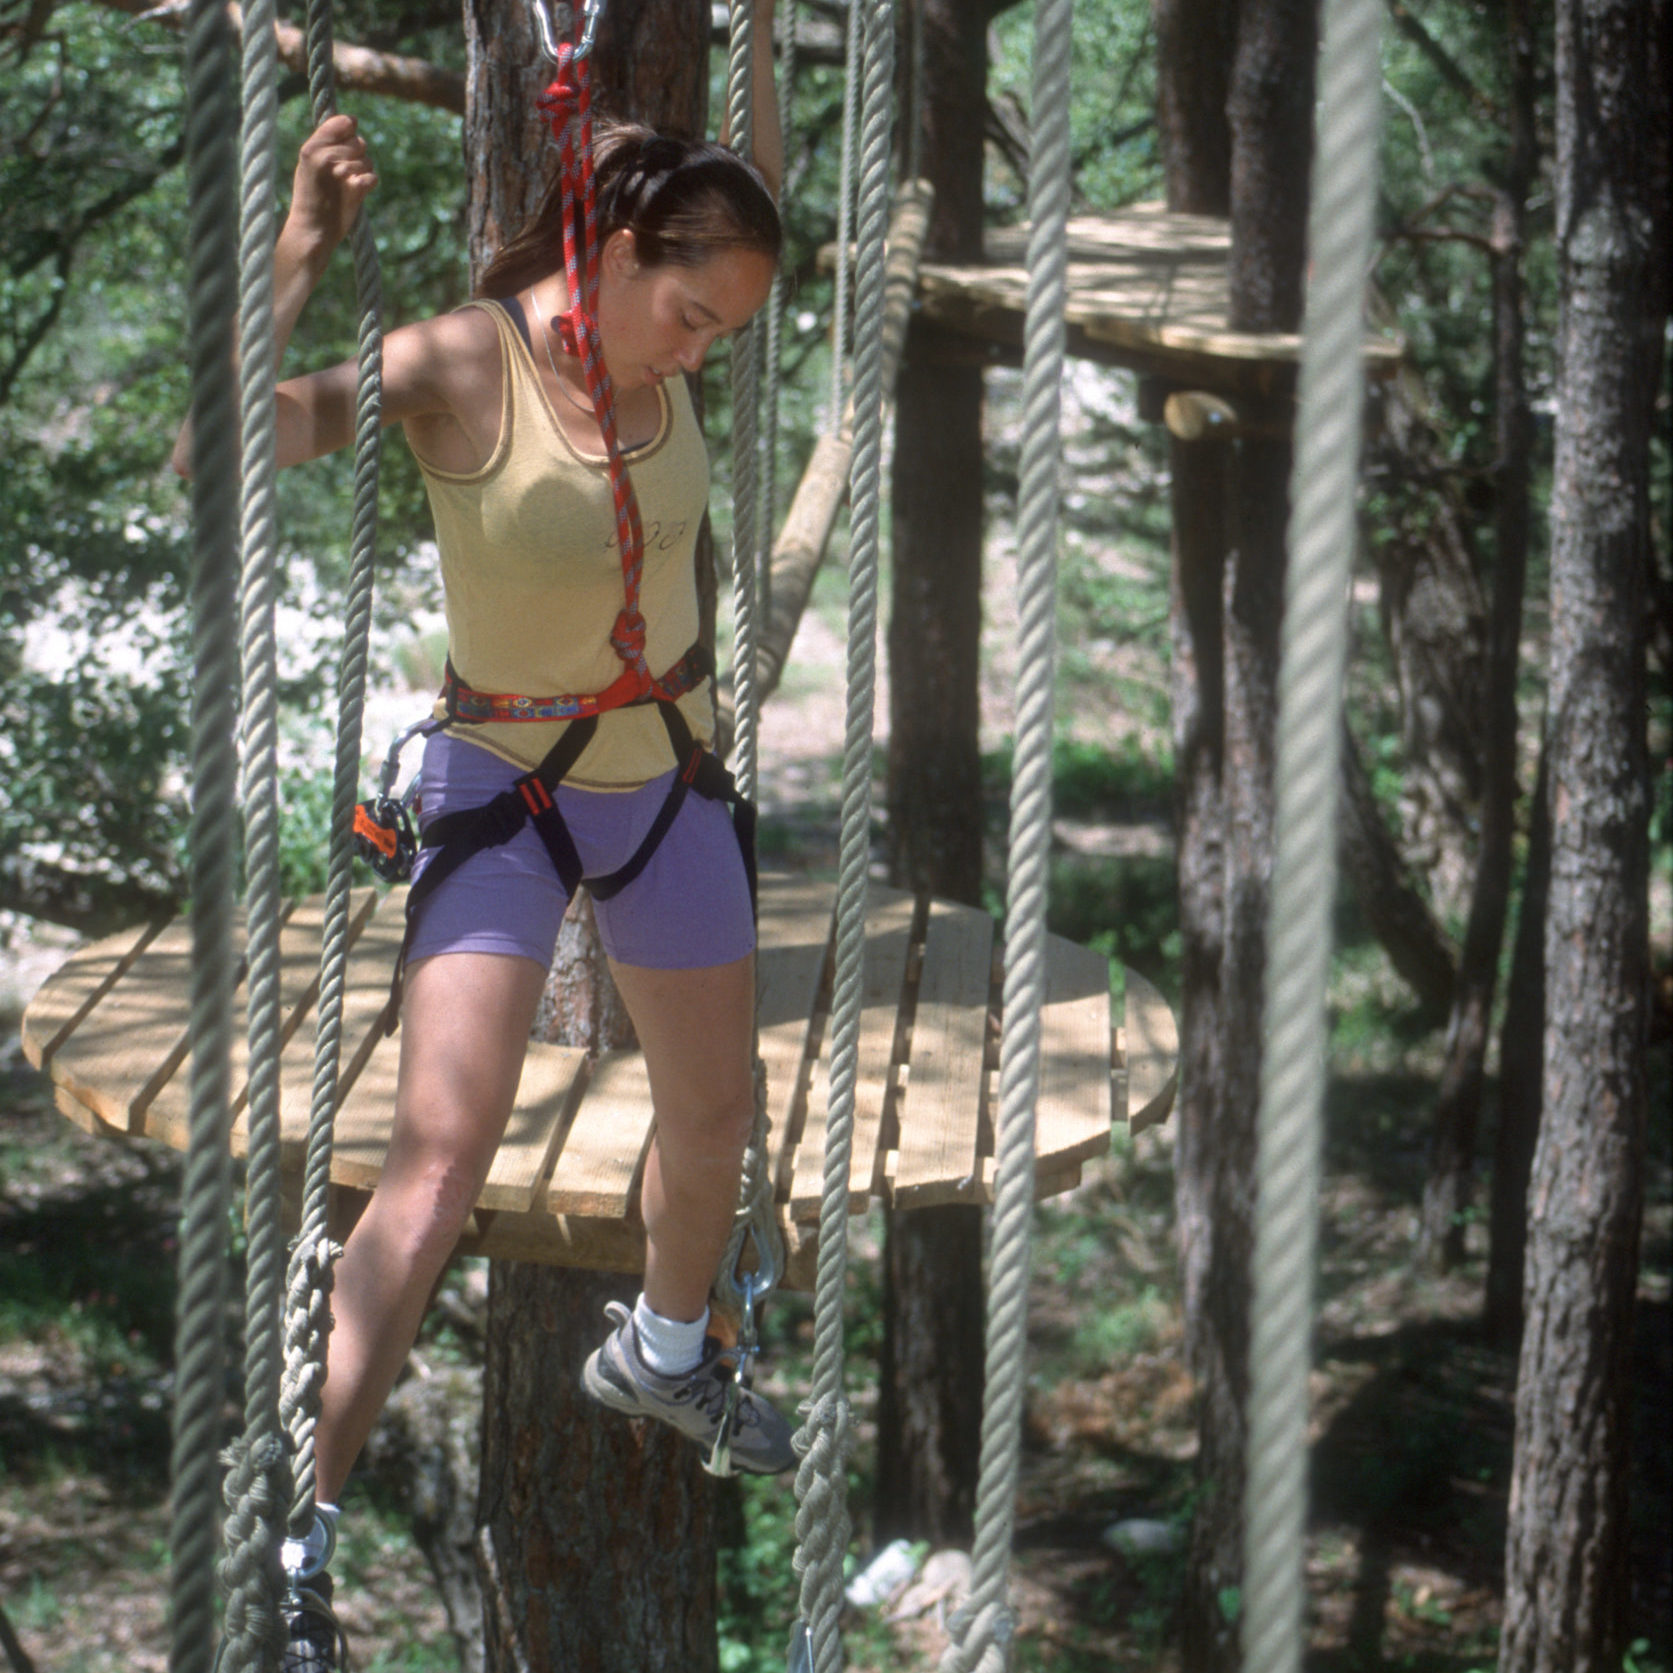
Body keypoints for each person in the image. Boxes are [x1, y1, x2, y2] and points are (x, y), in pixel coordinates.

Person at [176, 33, 789, 1673]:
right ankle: (293, 1525)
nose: (708, 349)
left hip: (663, 775)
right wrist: (299, 254)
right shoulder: (462, 362)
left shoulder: (683, 304)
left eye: (731, 326)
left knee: (716, 1116)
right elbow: (218, 447)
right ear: (617, 250)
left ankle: (665, 1348)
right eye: (694, 312)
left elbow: (753, 189)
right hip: (499, 786)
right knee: (435, 1161)